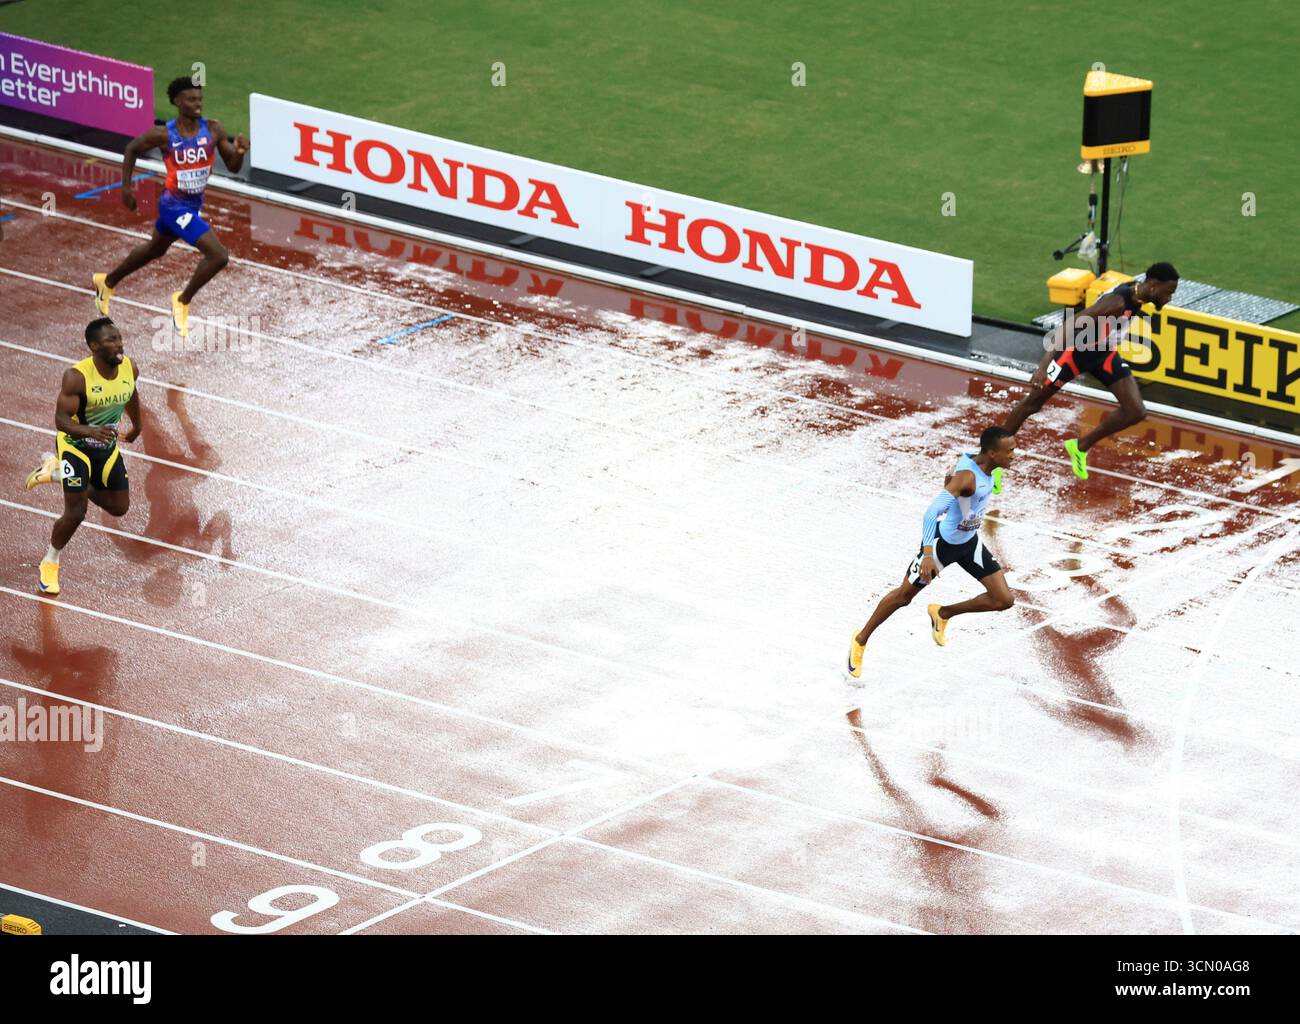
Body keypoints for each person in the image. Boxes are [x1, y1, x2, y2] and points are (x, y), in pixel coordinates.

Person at [847, 426, 1017, 677]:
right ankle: (860, 640)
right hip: (942, 546)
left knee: (1004, 600)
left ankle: (943, 612)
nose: (1014, 455)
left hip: (968, 542)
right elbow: (931, 513)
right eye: (1009, 451)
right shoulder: (968, 479)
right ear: (992, 453)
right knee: (903, 597)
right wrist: (928, 555)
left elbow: (955, 468)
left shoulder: (979, 460)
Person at [92, 76, 249, 337]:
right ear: (177, 102)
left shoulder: (213, 129)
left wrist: (240, 152)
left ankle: (107, 281)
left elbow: (232, 166)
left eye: (200, 99)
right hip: (173, 206)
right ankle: (183, 299)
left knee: (154, 250)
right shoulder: (164, 134)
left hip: (192, 204)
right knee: (219, 256)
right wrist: (126, 188)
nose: (197, 104)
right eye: (191, 99)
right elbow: (131, 148)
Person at [1000, 263, 1180, 480]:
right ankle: (994, 460)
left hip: (1103, 354)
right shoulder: (1117, 302)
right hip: (1074, 355)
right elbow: (1073, 322)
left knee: (1136, 411)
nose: (1169, 298)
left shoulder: (1137, 293)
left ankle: (1080, 446)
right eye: (1168, 292)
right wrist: (1044, 363)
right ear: (1153, 285)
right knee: (1032, 404)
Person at [24, 318, 143, 595]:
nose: (119, 344)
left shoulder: (129, 366)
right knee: (76, 512)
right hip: (74, 444)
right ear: (94, 346)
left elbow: (131, 393)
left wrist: (137, 425)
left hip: (105, 445)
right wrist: (89, 430)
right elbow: (60, 420)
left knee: (119, 507)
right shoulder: (77, 377)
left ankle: (56, 473)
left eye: (119, 338)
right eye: (110, 340)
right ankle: (50, 562)